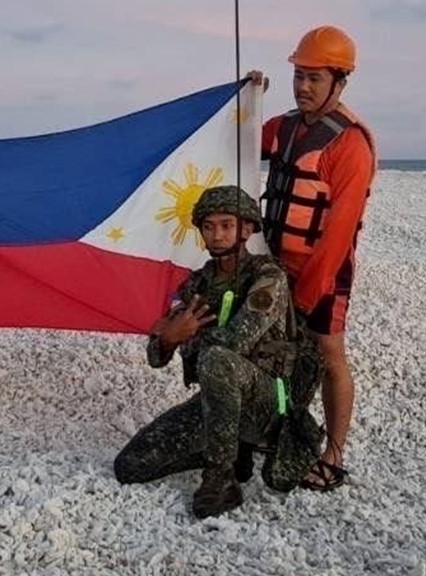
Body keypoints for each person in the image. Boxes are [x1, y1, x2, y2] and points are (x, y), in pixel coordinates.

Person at [113, 186, 324, 518]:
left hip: (267, 404)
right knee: (131, 466)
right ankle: (228, 448)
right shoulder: (197, 284)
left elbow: (237, 342)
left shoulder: (268, 277)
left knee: (216, 359)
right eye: (208, 227)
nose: (217, 235)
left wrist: (181, 333)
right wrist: (169, 339)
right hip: (217, 404)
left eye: (227, 225)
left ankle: (221, 480)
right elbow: (156, 356)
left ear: (246, 228)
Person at [251, 24, 376, 492]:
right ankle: (272, 428)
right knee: (272, 352)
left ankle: (334, 454)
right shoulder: (283, 128)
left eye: (315, 78)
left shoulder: (350, 145)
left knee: (328, 354)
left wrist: (306, 293)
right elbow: (241, 141)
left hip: (323, 271)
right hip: (274, 263)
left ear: (340, 81)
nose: (303, 86)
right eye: (299, 75)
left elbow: (338, 233)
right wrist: (247, 99)